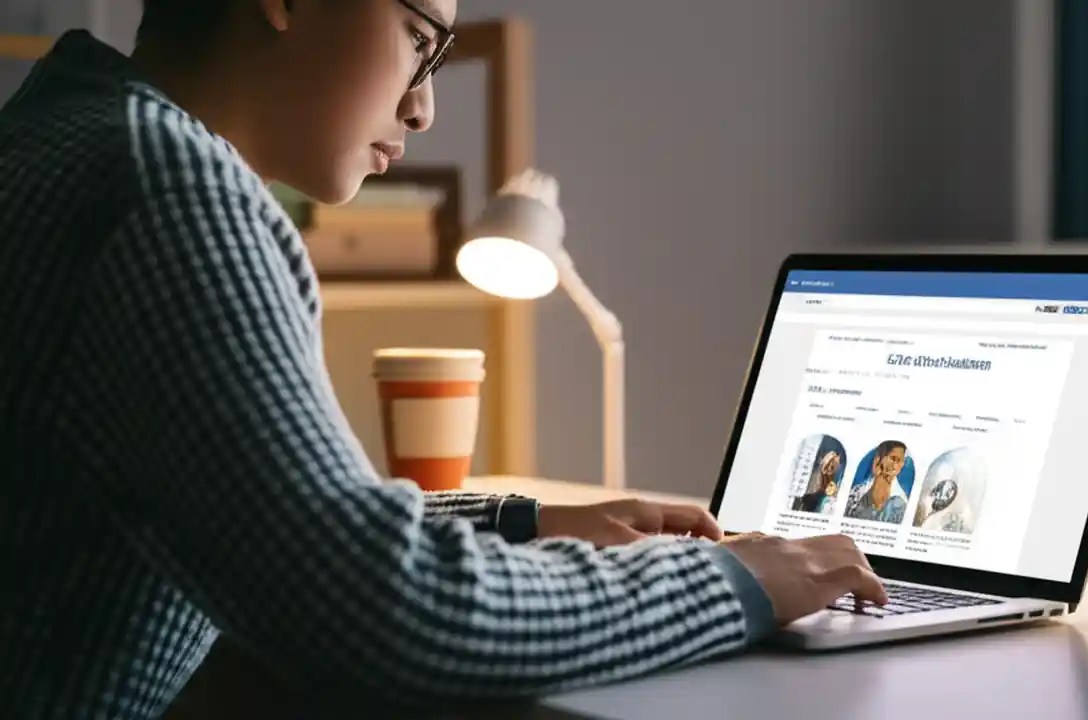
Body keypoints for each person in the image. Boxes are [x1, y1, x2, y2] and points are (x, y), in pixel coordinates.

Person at [0, 1, 887, 717]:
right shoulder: (167, 190)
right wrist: (733, 581)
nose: (423, 106)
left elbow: (269, 519)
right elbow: (381, 609)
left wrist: (519, 525)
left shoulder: (63, 133)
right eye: (420, 39)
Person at [845, 441, 911, 523]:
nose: (895, 465)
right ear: (879, 459)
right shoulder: (856, 493)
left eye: (900, 461)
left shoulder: (901, 503)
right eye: (893, 458)